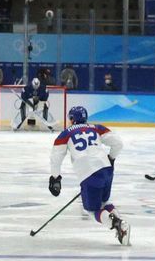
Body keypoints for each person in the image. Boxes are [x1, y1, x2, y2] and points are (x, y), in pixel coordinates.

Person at [50, 104, 129, 245]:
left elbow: (56, 157)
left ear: (72, 119)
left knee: (92, 210)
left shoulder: (65, 134)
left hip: (88, 174)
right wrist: (111, 158)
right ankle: (121, 224)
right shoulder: (96, 128)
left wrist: (55, 178)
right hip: (106, 169)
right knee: (104, 202)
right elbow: (118, 143)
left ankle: (117, 224)